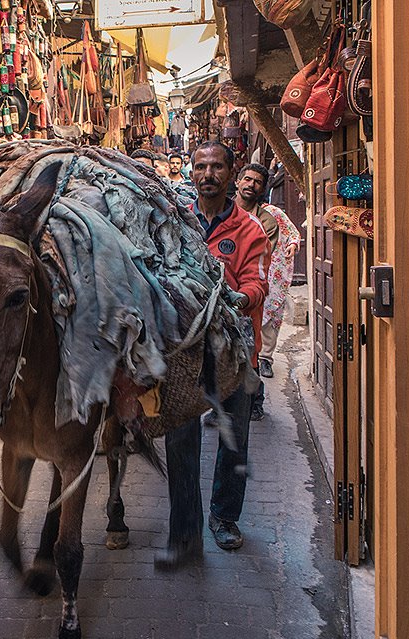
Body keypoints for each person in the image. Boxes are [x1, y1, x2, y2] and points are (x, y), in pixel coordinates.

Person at [158, 141, 269, 569]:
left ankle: (224, 518)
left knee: (233, 438)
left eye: (217, 166)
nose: (209, 173)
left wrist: (234, 299)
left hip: (235, 351)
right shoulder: (176, 221)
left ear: (231, 172)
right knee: (180, 437)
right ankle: (185, 526)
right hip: (184, 353)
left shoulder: (250, 231)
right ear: (192, 170)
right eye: (201, 165)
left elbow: (257, 283)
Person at [234, 163, 300, 420]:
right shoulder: (223, 212)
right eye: (247, 179)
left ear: (263, 188)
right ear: (238, 181)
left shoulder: (267, 220)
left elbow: (259, 256)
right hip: (223, 290)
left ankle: (255, 401)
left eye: (257, 182)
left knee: (251, 349)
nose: (251, 185)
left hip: (250, 292)